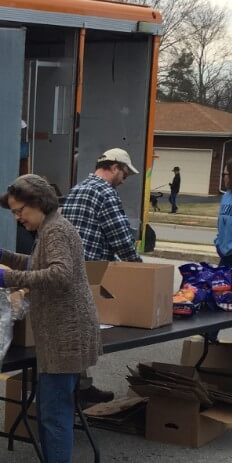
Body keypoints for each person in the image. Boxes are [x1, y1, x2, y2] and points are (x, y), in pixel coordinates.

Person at [0, 174, 101, 463]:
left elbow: (60, 274)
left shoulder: (57, 230)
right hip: (61, 336)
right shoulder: (49, 229)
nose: (18, 217)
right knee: (54, 413)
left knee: (54, 417)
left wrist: (12, 278)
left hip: (65, 337)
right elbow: (41, 265)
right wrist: (3, 256)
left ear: (38, 203)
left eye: (20, 211)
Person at [60, 148, 141, 405]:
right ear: (114, 167)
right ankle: (78, 390)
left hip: (67, 268)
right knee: (84, 334)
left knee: (73, 332)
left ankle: (79, 384)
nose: (124, 179)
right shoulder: (106, 193)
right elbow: (120, 237)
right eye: (124, 173)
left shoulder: (78, 188)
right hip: (90, 272)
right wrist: (138, 269)